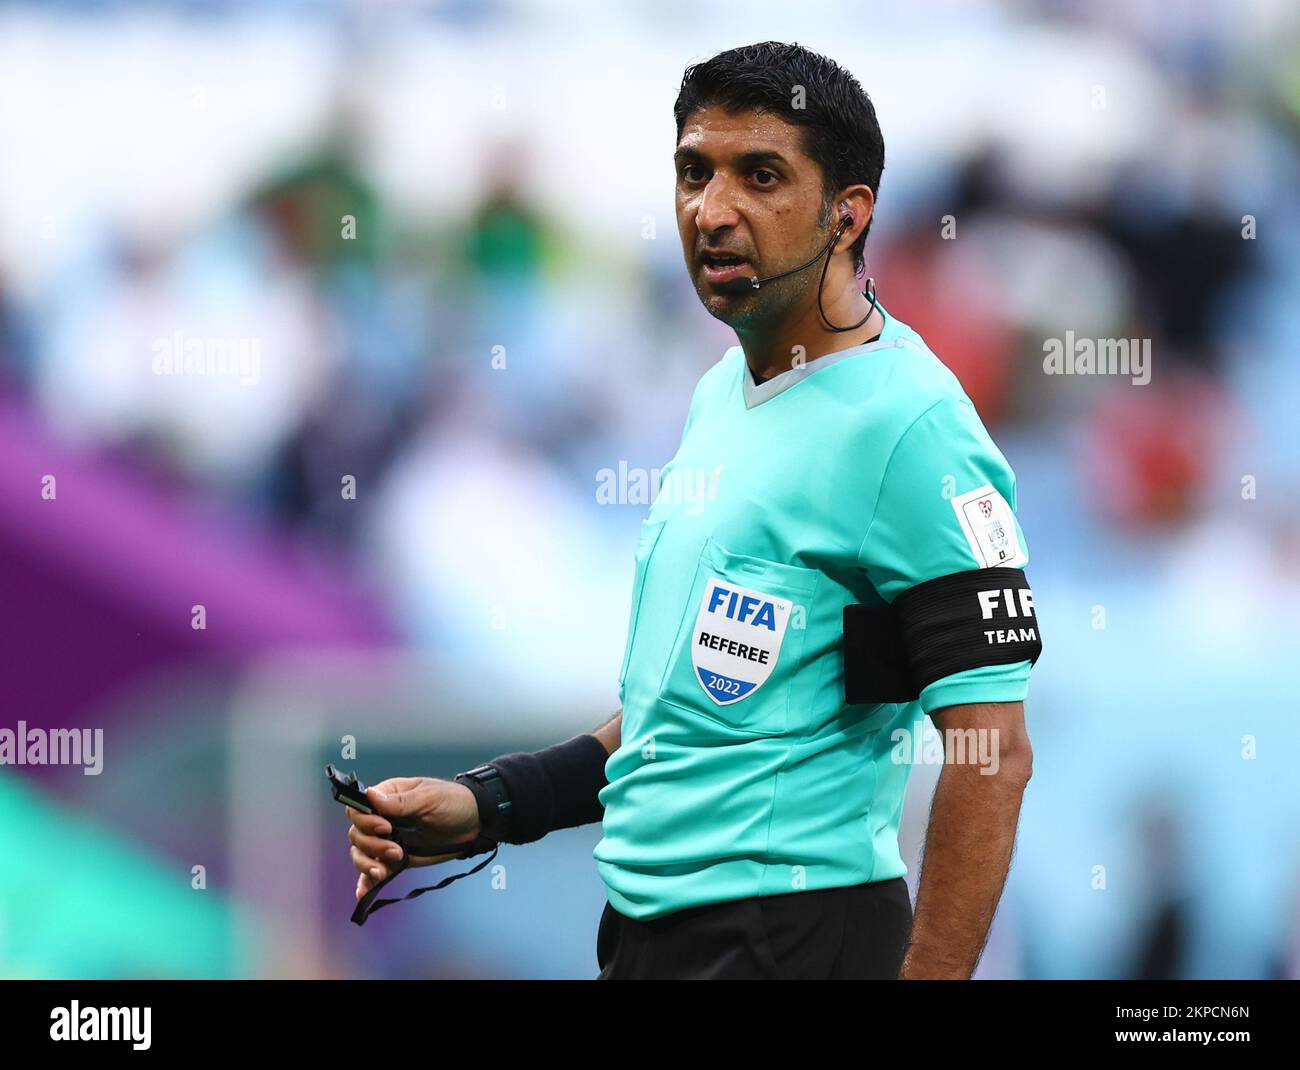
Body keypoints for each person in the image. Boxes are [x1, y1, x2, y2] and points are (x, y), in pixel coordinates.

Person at [344, 41, 1041, 980]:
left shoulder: (913, 427)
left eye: (760, 176)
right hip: (649, 933)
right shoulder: (723, 391)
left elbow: (991, 753)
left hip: (792, 934)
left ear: (848, 214)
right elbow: (673, 723)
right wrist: (488, 806)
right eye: (693, 172)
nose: (712, 211)